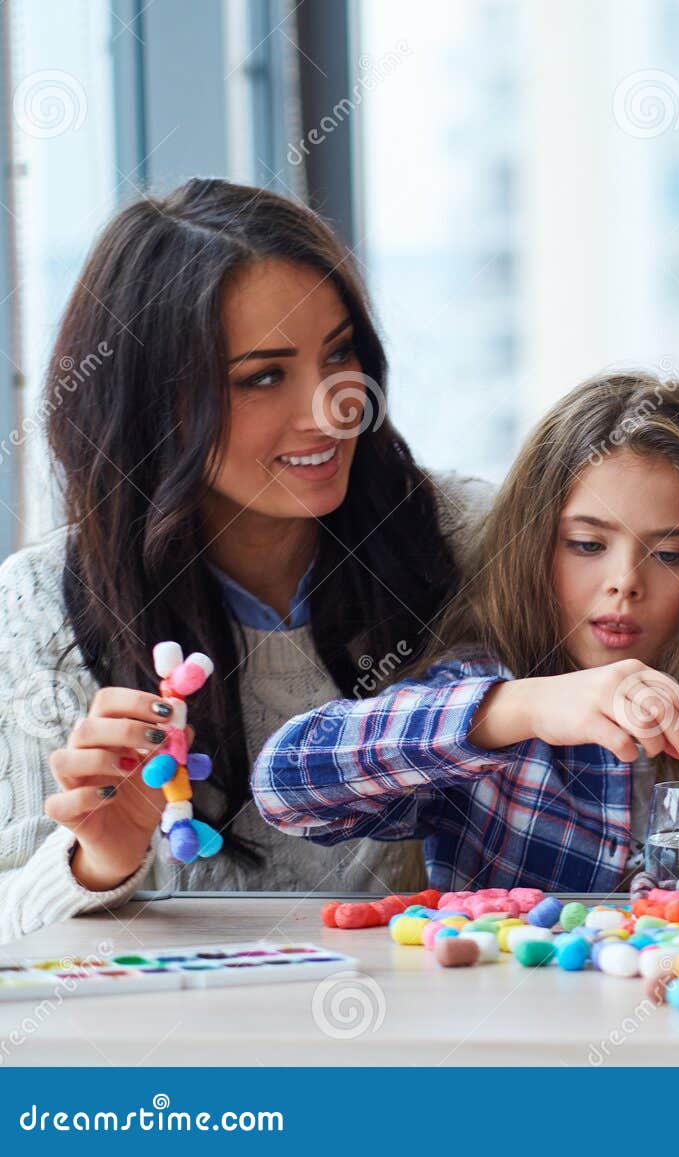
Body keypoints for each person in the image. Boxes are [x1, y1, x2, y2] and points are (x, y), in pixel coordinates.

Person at [0, 179, 491, 943]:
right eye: (263, 377)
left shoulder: (469, 537)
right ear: (151, 402)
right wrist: (97, 858)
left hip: (435, 1037)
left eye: (338, 353)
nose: (331, 407)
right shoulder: (38, 604)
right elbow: (13, 933)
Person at [251, 373, 679, 892]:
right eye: (588, 544)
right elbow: (286, 784)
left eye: (672, 554)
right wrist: (522, 707)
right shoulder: (487, 707)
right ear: (536, 546)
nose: (625, 581)